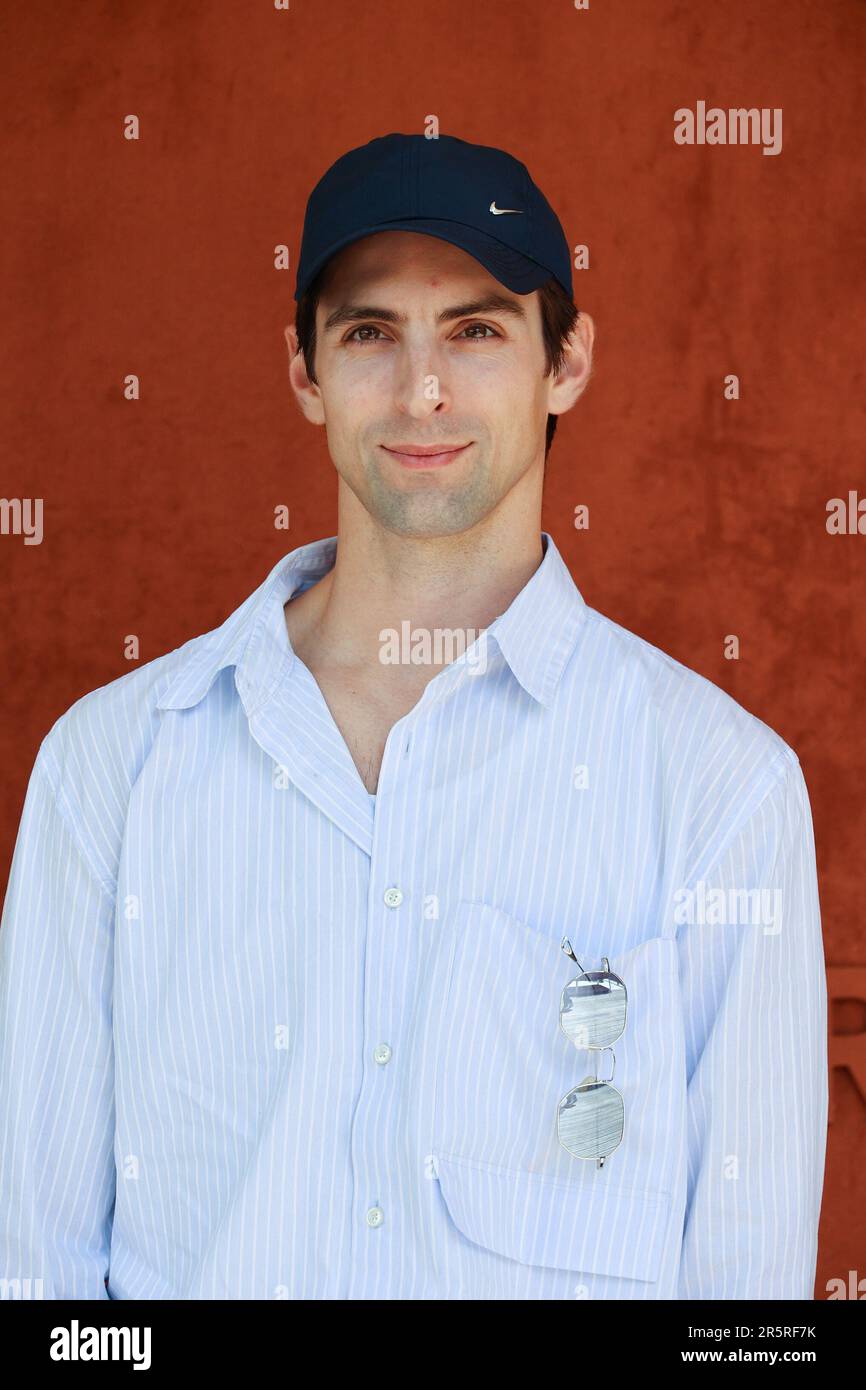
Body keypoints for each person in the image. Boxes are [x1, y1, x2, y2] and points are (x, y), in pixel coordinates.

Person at [0, 132, 827, 1300]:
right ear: (305, 375)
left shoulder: (717, 788)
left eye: (477, 330)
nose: (421, 388)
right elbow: (34, 1277)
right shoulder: (110, 765)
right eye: (369, 332)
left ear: (567, 362)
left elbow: (742, 1305)